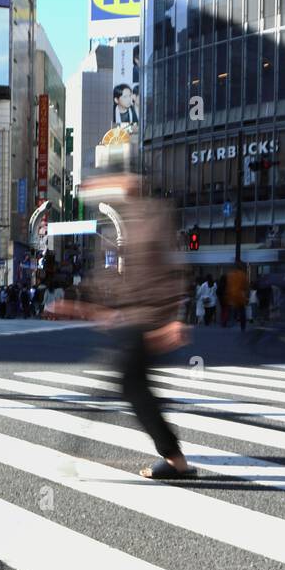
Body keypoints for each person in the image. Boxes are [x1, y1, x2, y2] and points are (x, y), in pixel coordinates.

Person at [79, 173, 196, 481]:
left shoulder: (154, 216)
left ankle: (175, 459)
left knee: (132, 386)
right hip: (132, 318)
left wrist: (173, 319)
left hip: (149, 319)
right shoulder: (124, 220)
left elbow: (173, 270)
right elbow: (114, 272)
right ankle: (174, 458)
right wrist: (99, 308)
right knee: (136, 387)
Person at [225, 263, 249, 333]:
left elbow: (228, 286)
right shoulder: (243, 275)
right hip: (240, 296)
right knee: (242, 311)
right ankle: (242, 326)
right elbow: (246, 286)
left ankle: (231, 322)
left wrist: (228, 295)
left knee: (232, 310)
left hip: (233, 296)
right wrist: (247, 296)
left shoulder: (231, 275)